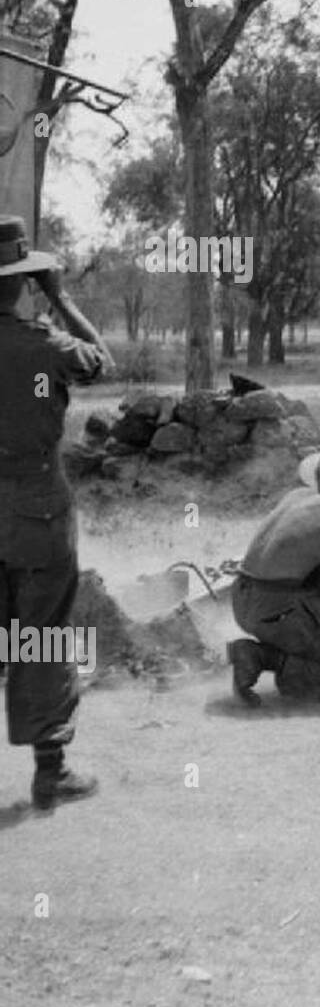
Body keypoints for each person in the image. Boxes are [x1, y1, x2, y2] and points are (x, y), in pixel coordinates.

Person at [0, 215, 112, 809]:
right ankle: (50, 771)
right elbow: (101, 358)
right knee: (38, 633)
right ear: (26, 282)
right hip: (36, 504)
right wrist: (60, 294)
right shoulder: (46, 347)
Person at [228, 439, 320, 705]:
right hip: (277, 608)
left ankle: (306, 653)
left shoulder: (296, 496)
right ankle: (262, 657)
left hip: (241, 598)